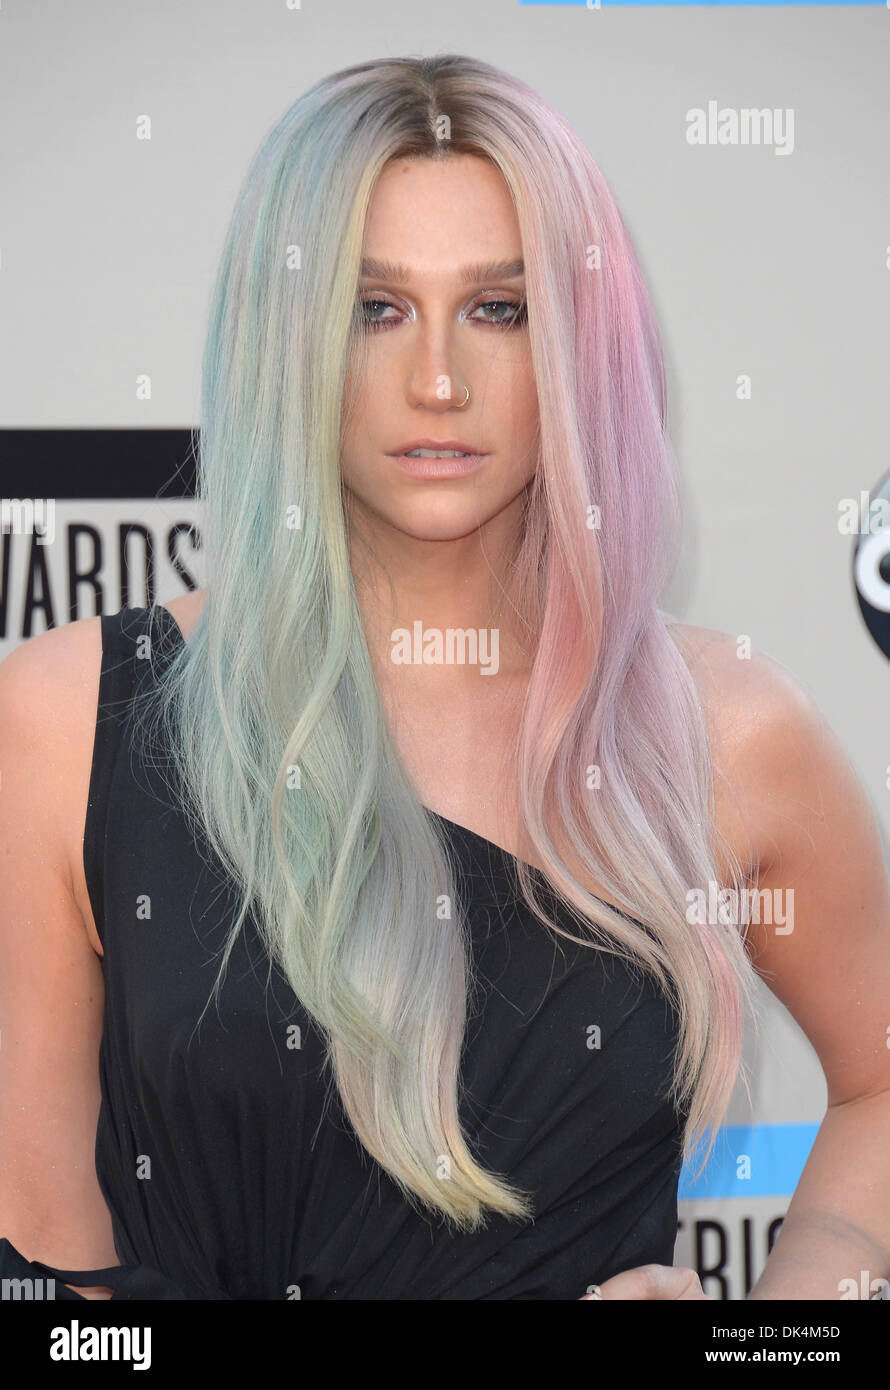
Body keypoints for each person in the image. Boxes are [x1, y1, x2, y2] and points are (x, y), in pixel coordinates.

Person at [1, 54, 888, 1302]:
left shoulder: (723, 731)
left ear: (577, 339)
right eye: (374, 308)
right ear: (286, 333)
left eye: (498, 308)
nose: (436, 380)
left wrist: (784, 1322)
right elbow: (49, 1267)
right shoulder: (67, 724)